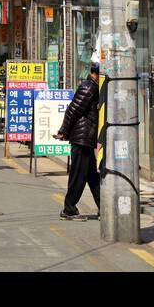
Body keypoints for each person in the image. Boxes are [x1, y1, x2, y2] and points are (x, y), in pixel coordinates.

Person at [56, 62, 103, 219]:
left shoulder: (93, 86)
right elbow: (73, 110)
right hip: (82, 137)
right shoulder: (89, 87)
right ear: (97, 73)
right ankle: (69, 208)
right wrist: (64, 131)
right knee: (78, 175)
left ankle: (104, 206)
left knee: (91, 175)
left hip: (86, 138)